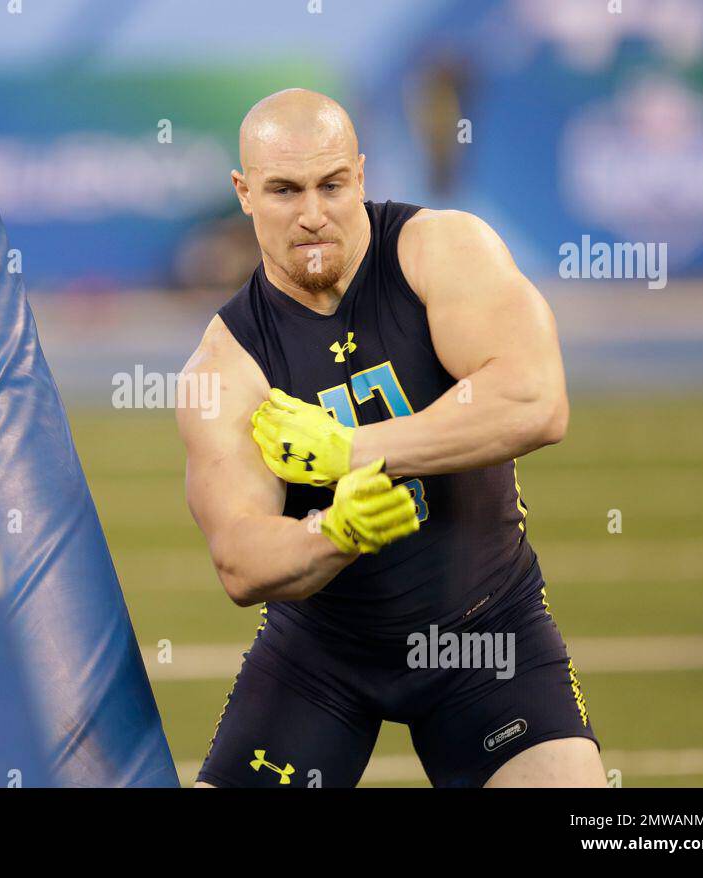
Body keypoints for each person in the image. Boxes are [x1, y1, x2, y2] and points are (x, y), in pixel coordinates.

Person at [176, 88, 604, 788]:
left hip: (486, 631)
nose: (313, 215)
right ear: (243, 192)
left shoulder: (441, 248)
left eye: (332, 185)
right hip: (321, 656)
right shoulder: (227, 364)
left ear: (361, 175)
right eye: (285, 190)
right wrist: (334, 533)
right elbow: (240, 560)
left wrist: (355, 451)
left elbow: (536, 400)